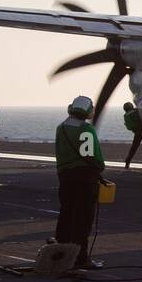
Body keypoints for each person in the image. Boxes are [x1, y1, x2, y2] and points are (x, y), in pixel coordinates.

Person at [53, 95, 106, 268]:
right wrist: (99, 169)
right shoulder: (86, 129)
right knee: (82, 218)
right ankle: (81, 258)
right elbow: (91, 155)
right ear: (88, 111)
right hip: (84, 178)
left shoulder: (60, 128)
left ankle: (60, 254)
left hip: (65, 176)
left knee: (66, 214)